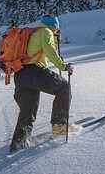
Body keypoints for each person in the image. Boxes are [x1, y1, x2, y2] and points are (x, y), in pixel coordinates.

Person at [9, 15, 79, 153]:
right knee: (63, 87)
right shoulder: (45, 32)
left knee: (27, 111)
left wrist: (53, 38)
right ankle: (60, 125)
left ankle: (19, 142)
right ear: (53, 26)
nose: (57, 30)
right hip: (34, 71)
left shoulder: (35, 33)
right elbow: (50, 51)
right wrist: (64, 66)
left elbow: (40, 48)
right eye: (57, 27)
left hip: (21, 75)